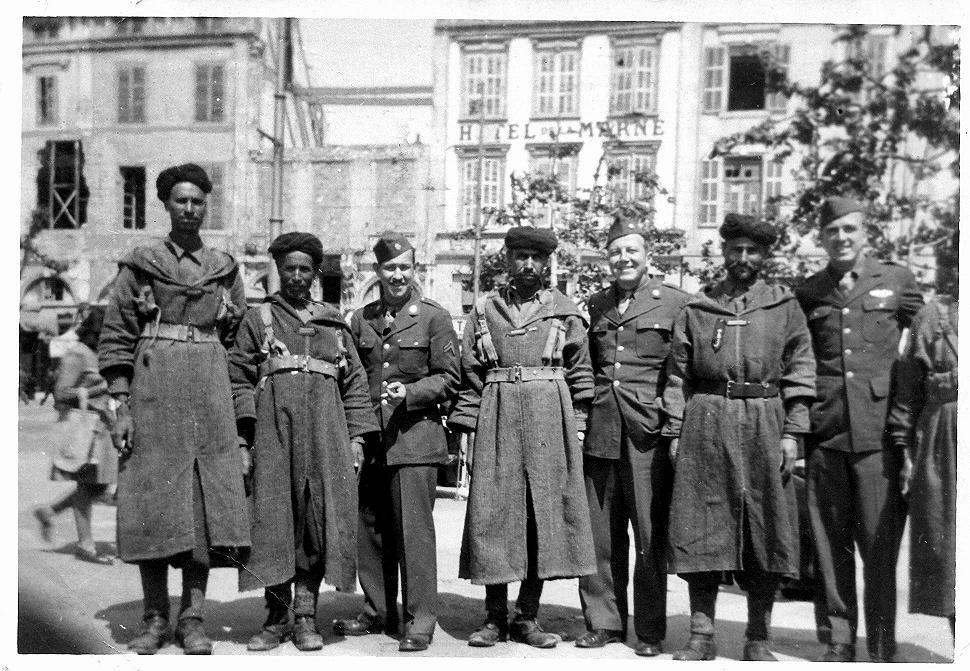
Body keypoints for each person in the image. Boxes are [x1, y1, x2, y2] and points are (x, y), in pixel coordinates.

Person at [98, 163, 251, 655]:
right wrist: (120, 404)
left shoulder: (225, 269)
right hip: (154, 389)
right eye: (181, 200)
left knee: (203, 506)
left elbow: (238, 339)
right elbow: (117, 336)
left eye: (198, 201)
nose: (190, 208)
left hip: (208, 390)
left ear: (208, 205)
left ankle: (193, 617)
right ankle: (153, 617)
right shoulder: (140, 265)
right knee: (153, 503)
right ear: (165, 204)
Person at [661, 214, 816, 661]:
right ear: (723, 252)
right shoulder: (698, 307)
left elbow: (801, 369)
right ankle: (701, 634)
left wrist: (793, 431)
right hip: (706, 419)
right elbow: (677, 375)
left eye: (753, 251)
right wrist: (675, 428)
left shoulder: (784, 307)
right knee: (703, 522)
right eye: (736, 250)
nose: (743, 258)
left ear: (764, 256)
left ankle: (758, 637)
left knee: (766, 522)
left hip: (766, 420)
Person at [228, 232, 379, 652]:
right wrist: (245, 437)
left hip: (326, 437)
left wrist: (357, 439)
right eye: (289, 268)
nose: (297, 276)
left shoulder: (334, 325)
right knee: (275, 521)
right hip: (274, 437)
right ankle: (276, 618)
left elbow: (356, 386)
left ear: (315, 273)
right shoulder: (258, 321)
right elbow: (238, 377)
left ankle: (306, 615)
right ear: (279, 270)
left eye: (305, 269)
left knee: (315, 522)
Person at [448, 226, 596, 649]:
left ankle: (527, 617)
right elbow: (470, 375)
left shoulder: (565, 311)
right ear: (506, 259)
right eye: (519, 256)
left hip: (552, 416)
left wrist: (580, 426)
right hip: (497, 412)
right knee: (494, 511)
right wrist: (467, 429)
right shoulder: (484, 310)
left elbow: (581, 374)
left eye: (535, 257)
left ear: (546, 262)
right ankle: (494, 617)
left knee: (541, 515)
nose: (527, 265)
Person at [795, 196, 923, 662]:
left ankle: (884, 644)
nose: (841, 238)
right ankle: (838, 641)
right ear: (821, 237)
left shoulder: (896, 281)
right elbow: (801, 359)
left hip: (878, 436)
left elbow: (928, 339)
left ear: (865, 232)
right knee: (830, 546)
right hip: (826, 431)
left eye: (850, 229)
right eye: (832, 231)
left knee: (879, 545)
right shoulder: (808, 292)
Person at [334, 232, 460, 652]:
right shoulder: (360, 319)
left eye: (405, 267)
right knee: (370, 529)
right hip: (371, 439)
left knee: (414, 532)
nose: (398, 275)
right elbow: (351, 377)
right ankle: (378, 610)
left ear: (415, 269)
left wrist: (412, 393)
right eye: (390, 268)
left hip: (415, 439)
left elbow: (449, 378)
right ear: (378, 272)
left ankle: (420, 618)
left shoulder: (433, 318)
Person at [574, 214, 689, 656]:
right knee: (600, 535)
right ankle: (604, 622)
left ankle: (652, 630)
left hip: (647, 431)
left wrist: (670, 419)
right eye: (615, 252)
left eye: (631, 251)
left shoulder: (674, 303)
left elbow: (680, 370)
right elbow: (590, 366)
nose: (623, 259)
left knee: (648, 534)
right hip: (603, 428)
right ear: (607, 258)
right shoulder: (597, 304)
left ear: (647, 257)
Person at [888, 261, 957, 641]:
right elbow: (908, 390)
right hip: (944, 434)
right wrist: (905, 451)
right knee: (947, 539)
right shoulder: (932, 316)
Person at [34, 306, 117, 565]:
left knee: (98, 485)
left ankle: (50, 511)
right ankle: (85, 544)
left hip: (99, 428)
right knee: (87, 484)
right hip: (84, 428)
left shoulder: (94, 353)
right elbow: (61, 393)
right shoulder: (77, 354)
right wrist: (96, 390)